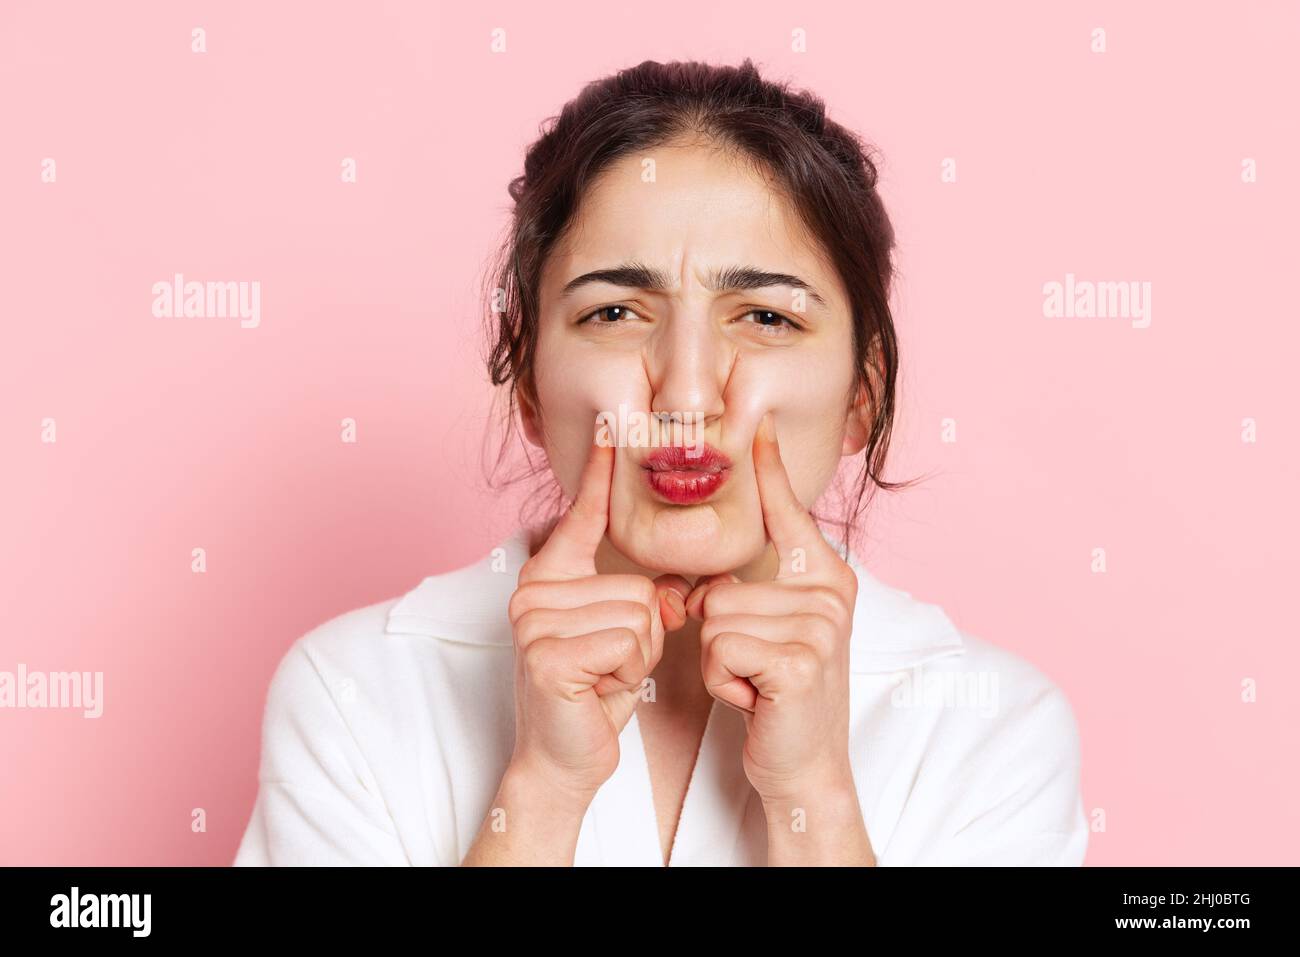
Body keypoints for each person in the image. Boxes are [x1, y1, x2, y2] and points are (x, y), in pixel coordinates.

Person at [234, 58, 1087, 867]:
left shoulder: (998, 728)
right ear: (528, 384)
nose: (684, 395)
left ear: (863, 394)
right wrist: (540, 793)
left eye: (765, 318)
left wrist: (814, 798)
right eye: (614, 313)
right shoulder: (352, 691)